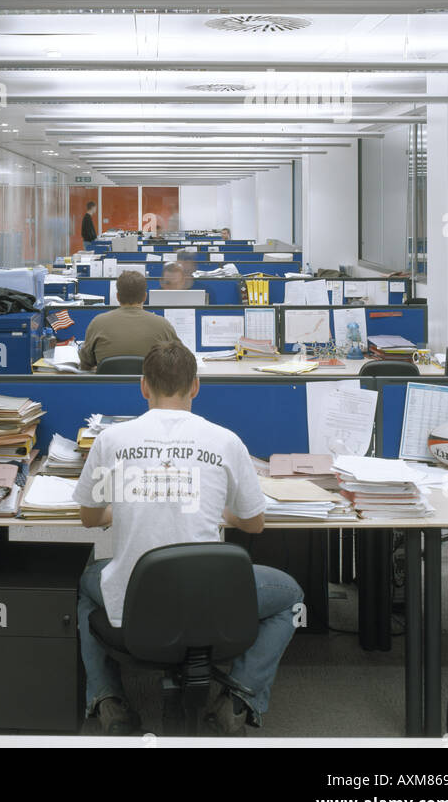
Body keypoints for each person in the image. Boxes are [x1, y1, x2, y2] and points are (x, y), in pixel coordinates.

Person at [73, 341, 303, 735]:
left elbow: (89, 517)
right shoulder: (226, 441)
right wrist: (218, 512)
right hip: (212, 597)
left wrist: (130, 504)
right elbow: (254, 525)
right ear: (196, 386)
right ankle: (241, 697)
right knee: (291, 598)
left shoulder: (111, 440)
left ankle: (106, 699)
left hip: (134, 597)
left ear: (143, 386)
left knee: (85, 585)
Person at [78, 270, 179, 370]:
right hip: (150, 385)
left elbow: (85, 363)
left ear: (117, 296)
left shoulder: (98, 323)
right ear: (144, 297)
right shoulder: (162, 325)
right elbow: (180, 359)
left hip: (108, 386)